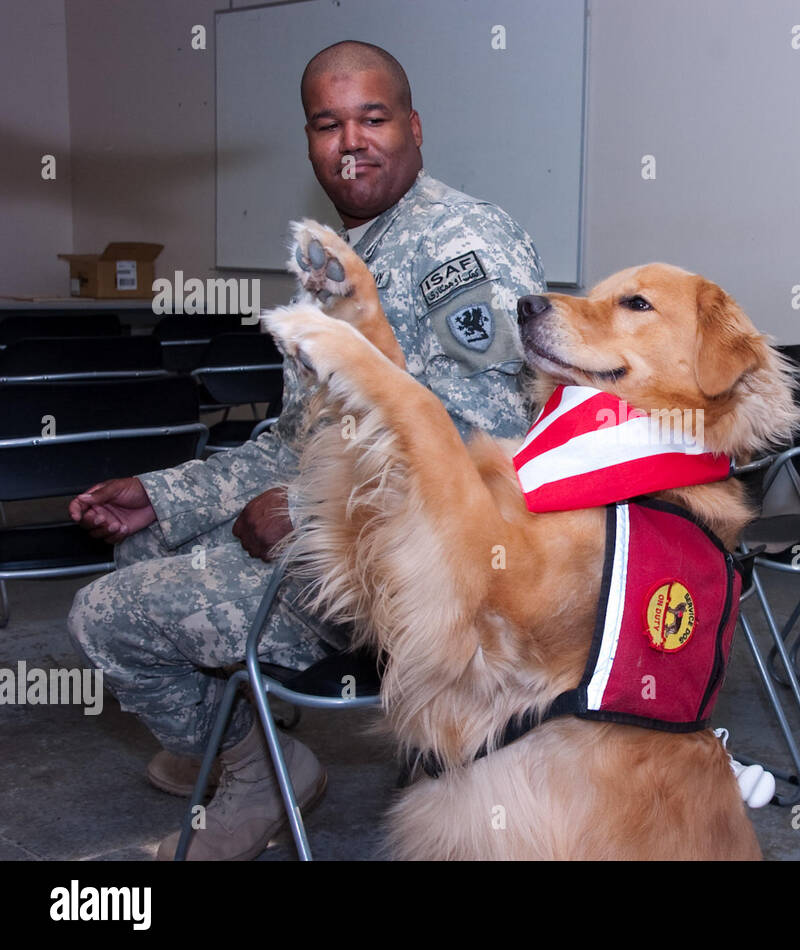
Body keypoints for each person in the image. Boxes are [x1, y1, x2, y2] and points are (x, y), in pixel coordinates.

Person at [67, 41, 546, 861]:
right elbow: (294, 441)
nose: (350, 141)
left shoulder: (455, 250)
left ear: (415, 127)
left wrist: (302, 509)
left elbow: (489, 454)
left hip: (411, 570)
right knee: (142, 537)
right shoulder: (339, 260)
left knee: (100, 620)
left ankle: (259, 775)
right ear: (309, 139)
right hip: (343, 531)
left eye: (373, 118)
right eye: (328, 124)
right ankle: (245, 745)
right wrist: (163, 492)